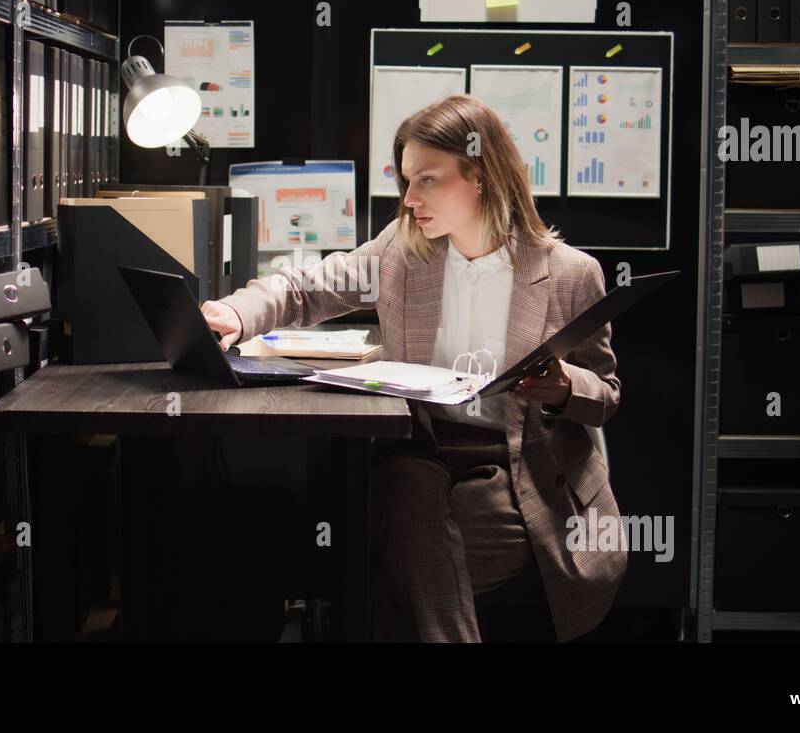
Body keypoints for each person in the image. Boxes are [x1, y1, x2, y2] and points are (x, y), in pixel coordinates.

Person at [201, 94, 624, 642]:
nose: (408, 200)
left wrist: (566, 388)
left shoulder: (570, 274)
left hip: (521, 466)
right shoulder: (403, 257)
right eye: (406, 181)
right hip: (421, 447)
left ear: (481, 176)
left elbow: (607, 394)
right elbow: (306, 286)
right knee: (408, 517)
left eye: (426, 180)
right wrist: (235, 312)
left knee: (397, 562)